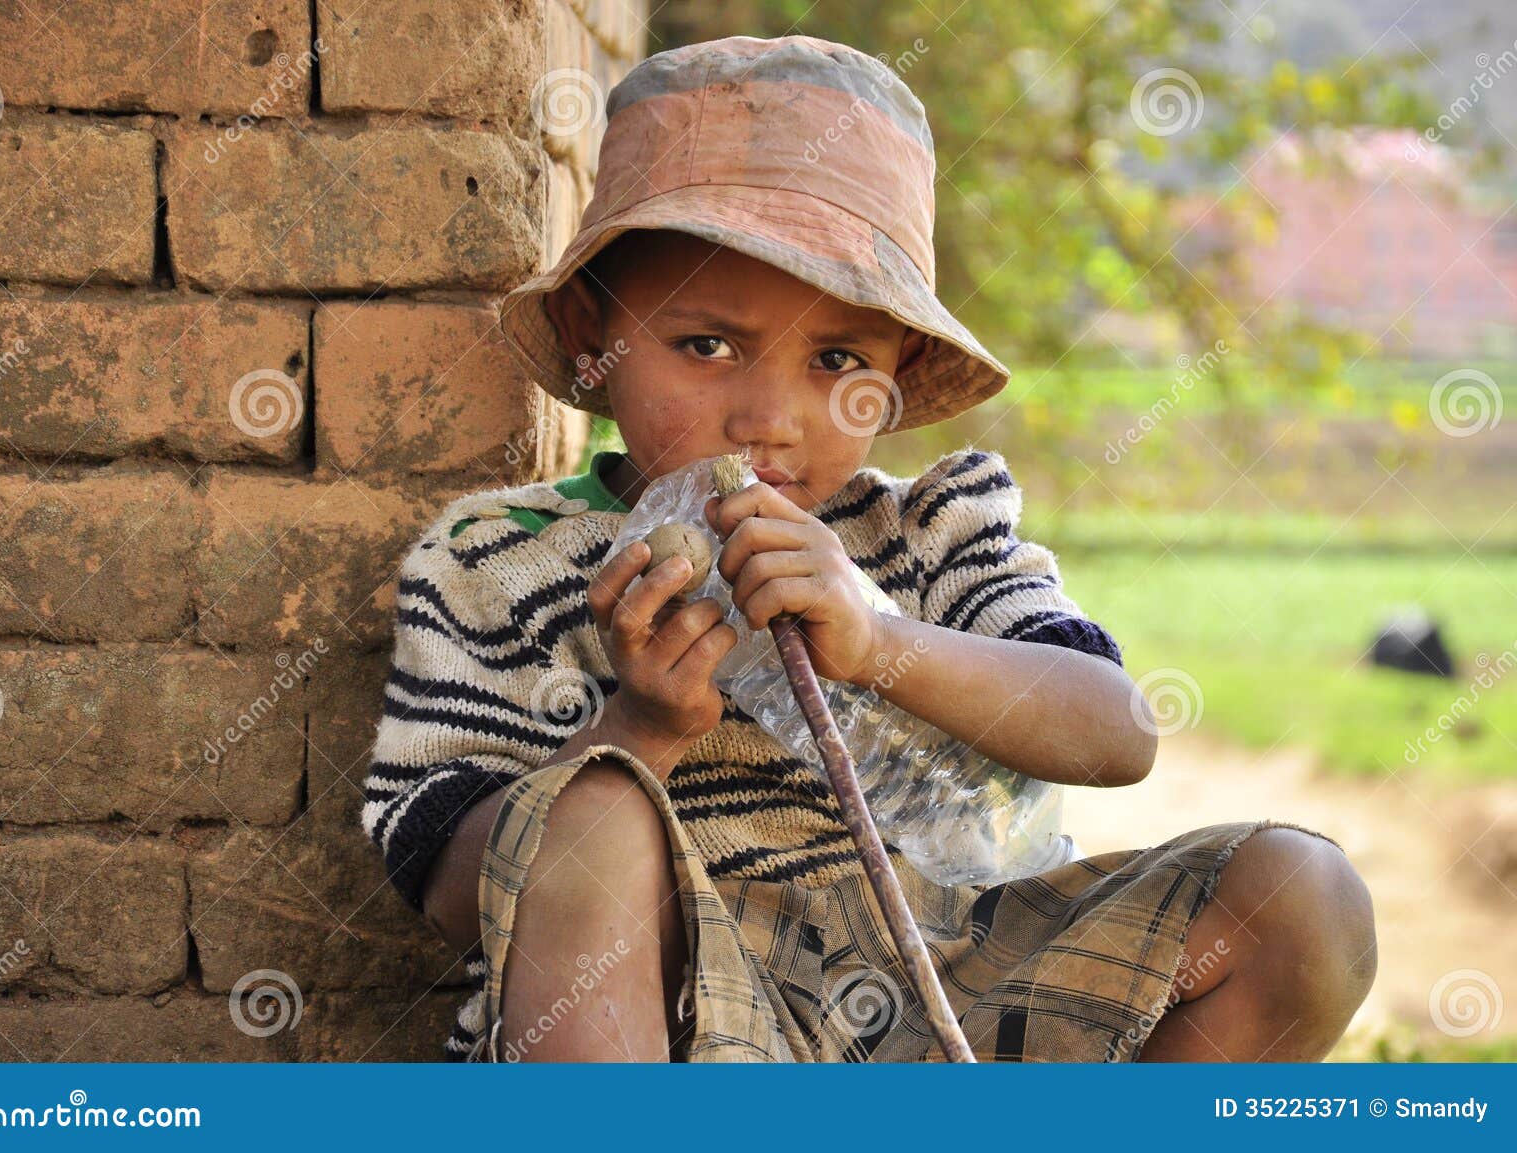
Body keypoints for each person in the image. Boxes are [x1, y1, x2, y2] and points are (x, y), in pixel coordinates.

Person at [359, 34, 1376, 1062]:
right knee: (598, 816)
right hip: (695, 1018)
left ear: (895, 375)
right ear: (593, 325)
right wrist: (640, 730)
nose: (767, 417)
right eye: (704, 345)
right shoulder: (497, 559)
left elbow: (1116, 733)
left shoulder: (933, 525)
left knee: (1302, 898)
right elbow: (450, 893)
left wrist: (878, 639)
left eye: (835, 359)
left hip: (962, 990)